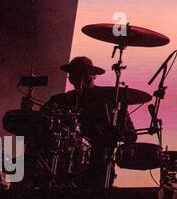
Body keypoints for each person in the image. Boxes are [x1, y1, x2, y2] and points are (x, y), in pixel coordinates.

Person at [43, 56, 136, 188]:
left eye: (84, 76)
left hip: (98, 164)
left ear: (94, 76)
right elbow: (41, 125)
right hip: (58, 164)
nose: (80, 80)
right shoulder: (59, 101)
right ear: (70, 78)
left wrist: (113, 133)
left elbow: (131, 135)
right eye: (75, 76)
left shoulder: (110, 100)